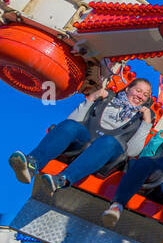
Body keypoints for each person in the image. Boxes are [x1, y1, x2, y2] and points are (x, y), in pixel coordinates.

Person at [10, 78, 154, 189]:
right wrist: (91, 99)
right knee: (70, 126)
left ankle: (63, 179)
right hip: (86, 142)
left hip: (109, 153)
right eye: (138, 91)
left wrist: (146, 124)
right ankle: (32, 164)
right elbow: (72, 121)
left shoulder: (141, 118)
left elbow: (133, 151)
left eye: (145, 95)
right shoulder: (107, 100)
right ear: (128, 89)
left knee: (108, 141)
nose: (141, 96)